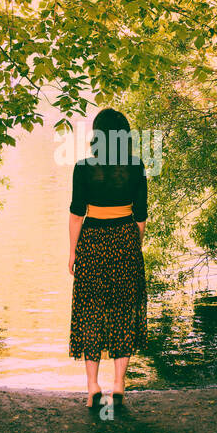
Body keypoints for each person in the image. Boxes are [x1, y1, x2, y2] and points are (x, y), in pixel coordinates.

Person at [67, 108, 147, 409]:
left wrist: (73, 252)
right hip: (125, 240)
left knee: (91, 310)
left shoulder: (83, 168)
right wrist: (132, 246)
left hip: (93, 241)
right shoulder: (136, 167)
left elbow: (77, 214)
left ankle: (92, 386)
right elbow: (140, 218)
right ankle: (119, 383)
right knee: (124, 310)